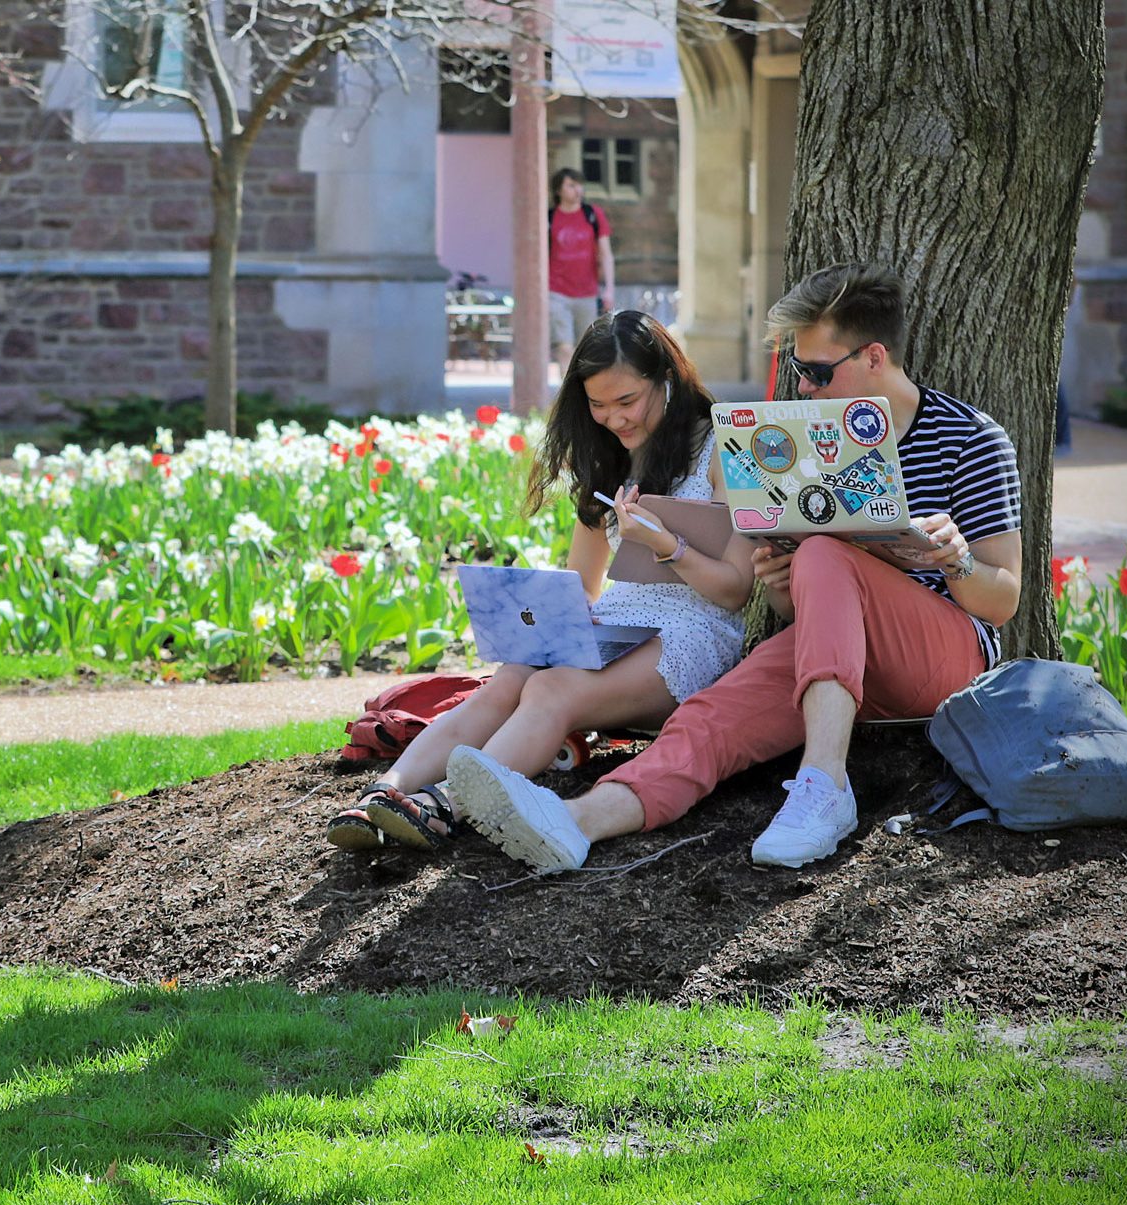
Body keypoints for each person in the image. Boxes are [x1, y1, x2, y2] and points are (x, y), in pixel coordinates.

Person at [447, 263, 1023, 873]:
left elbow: (1003, 601)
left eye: (819, 372)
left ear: (875, 356)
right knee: (707, 720)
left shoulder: (969, 437)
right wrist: (780, 585)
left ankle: (824, 785)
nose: (803, 387)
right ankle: (574, 823)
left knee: (828, 550)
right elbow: (800, 611)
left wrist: (956, 559)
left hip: (943, 658)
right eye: (798, 370)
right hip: (833, 663)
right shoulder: (800, 443)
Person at [328, 311, 759, 852]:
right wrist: (534, 615)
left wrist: (665, 545)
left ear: (667, 380)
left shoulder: (727, 448)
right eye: (597, 406)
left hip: (693, 632)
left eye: (626, 402)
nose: (613, 420)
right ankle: (385, 794)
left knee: (551, 688)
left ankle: (444, 806)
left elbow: (735, 590)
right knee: (511, 678)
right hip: (615, 627)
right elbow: (583, 585)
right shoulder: (610, 461)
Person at [546, 168, 615, 370]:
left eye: (579, 185)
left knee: (586, 349)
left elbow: (606, 253)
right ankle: (566, 394)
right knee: (564, 347)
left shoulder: (592, 215)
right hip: (557, 291)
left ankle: (583, 395)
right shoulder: (550, 218)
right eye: (571, 185)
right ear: (558, 190)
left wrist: (609, 288)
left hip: (587, 292)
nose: (578, 190)